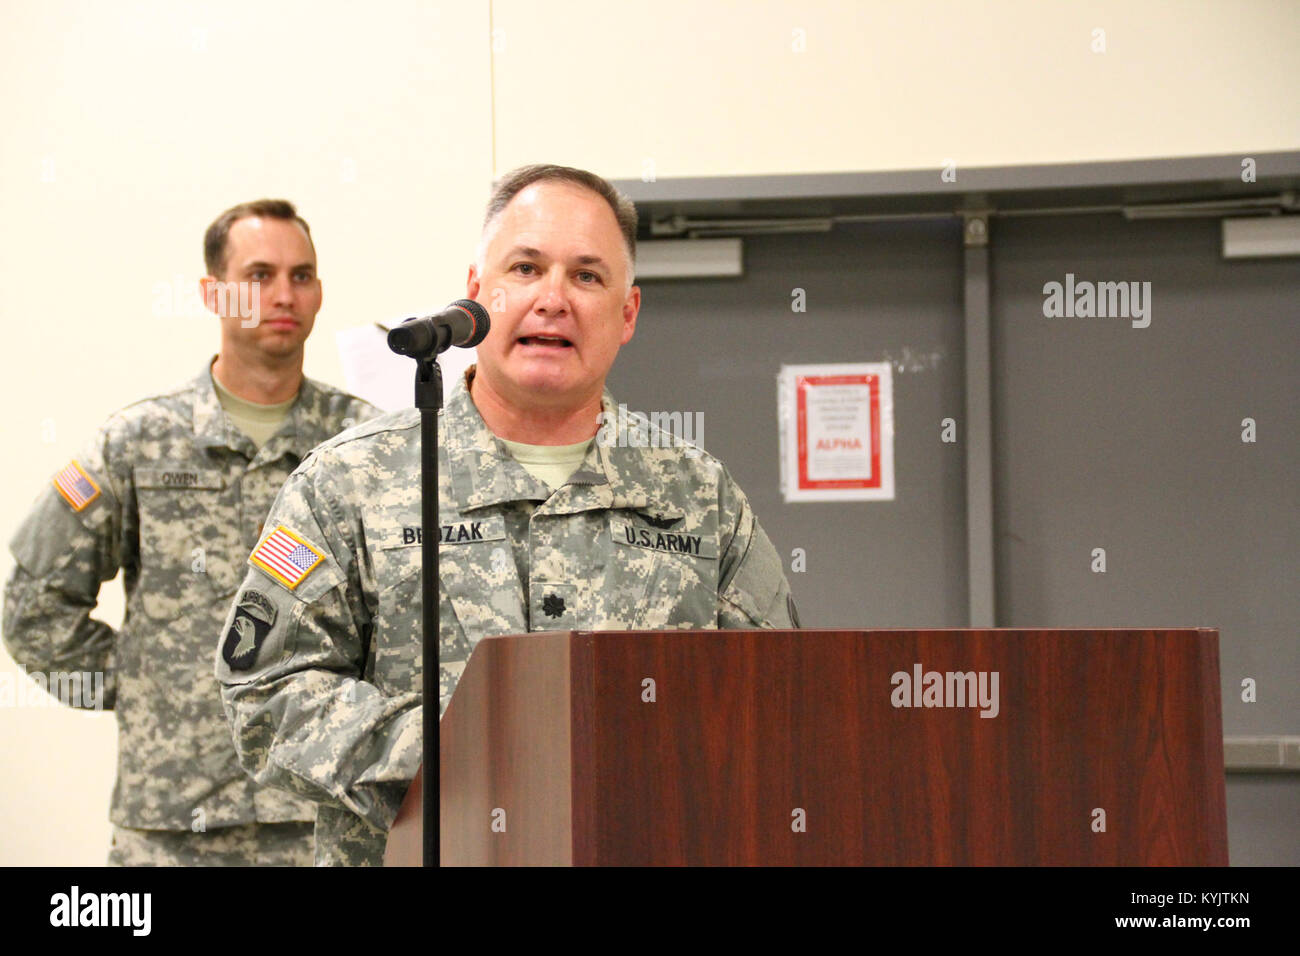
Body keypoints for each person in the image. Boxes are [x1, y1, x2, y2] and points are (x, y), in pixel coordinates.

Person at [216, 165, 799, 866]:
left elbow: (781, 703)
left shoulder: (700, 497)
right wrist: (457, 758)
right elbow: (266, 692)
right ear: (477, 292)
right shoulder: (348, 484)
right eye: (525, 268)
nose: (553, 299)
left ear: (628, 313)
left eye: (587, 276)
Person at [2, 199, 378, 865]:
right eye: (258, 275)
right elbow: (32, 609)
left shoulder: (362, 444)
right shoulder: (139, 442)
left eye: (302, 275)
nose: (283, 294)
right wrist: (143, 681)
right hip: (174, 823)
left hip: (324, 815)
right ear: (212, 293)